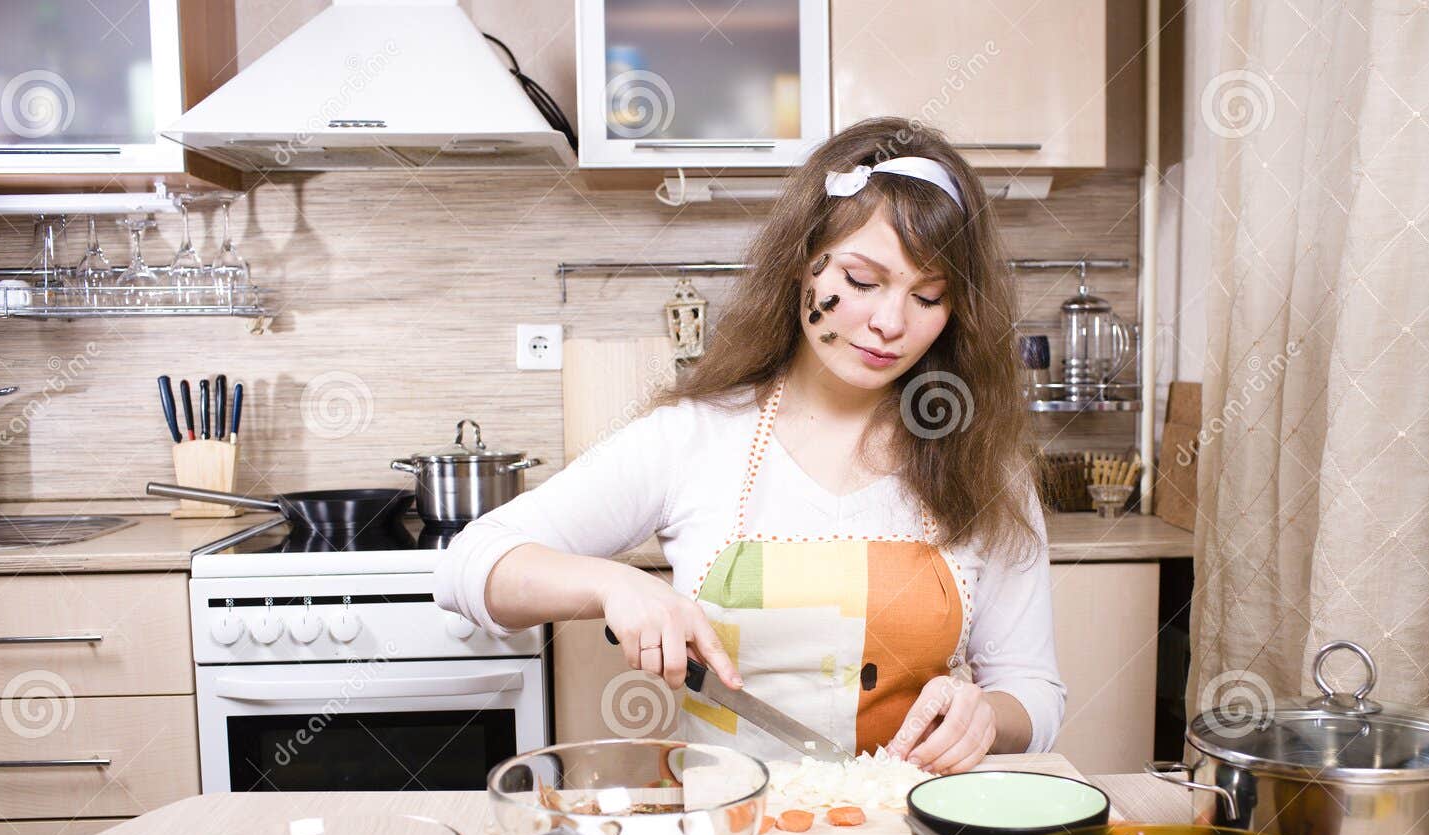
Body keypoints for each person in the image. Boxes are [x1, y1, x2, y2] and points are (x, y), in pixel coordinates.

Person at [435, 117, 1065, 773]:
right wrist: (611, 583)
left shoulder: (982, 465)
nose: (890, 322)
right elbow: (467, 566)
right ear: (802, 265)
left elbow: (1035, 693)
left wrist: (988, 715)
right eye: (861, 280)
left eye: (928, 295)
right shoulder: (695, 437)